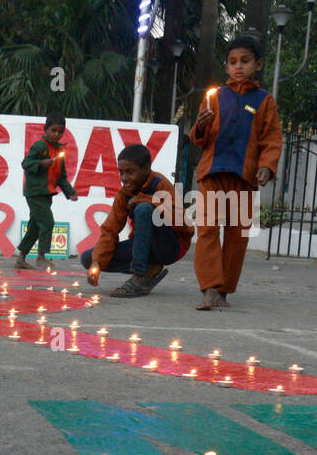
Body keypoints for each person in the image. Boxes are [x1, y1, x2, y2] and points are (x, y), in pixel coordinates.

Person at [190, 34, 282, 310]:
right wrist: (202, 126)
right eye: (232, 62)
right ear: (227, 66)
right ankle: (208, 288)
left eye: (245, 61)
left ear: (259, 64)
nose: (238, 67)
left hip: (244, 178)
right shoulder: (215, 97)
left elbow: (272, 138)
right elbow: (199, 139)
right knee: (207, 230)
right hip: (212, 174)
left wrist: (266, 166)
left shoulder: (265, 101)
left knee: (237, 237)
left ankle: (224, 290)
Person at [79, 143, 189, 297]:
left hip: (171, 247)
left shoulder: (161, 184)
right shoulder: (124, 194)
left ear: (146, 168)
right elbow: (110, 230)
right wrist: (97, 262)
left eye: (130, 172)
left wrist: (145, 200)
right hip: (143, 247)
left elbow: (184, 225)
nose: (124, 178)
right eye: (121, 172)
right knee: (88, 258)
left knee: (144, 209)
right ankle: (150, 268)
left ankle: (139, 277)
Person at [15, 111, 79, 270]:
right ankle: (41, 257)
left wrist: (69, 192)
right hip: (35, 193)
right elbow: (26, 163)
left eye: (60, 131)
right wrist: (41, 163)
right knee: (47, 222)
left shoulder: (59, 152)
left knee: (36, 226)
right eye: (54, 130)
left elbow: (61, 177)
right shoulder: (40, 146)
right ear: (46, 129)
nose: (57, 134)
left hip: (46, 194)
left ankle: (21, 258)